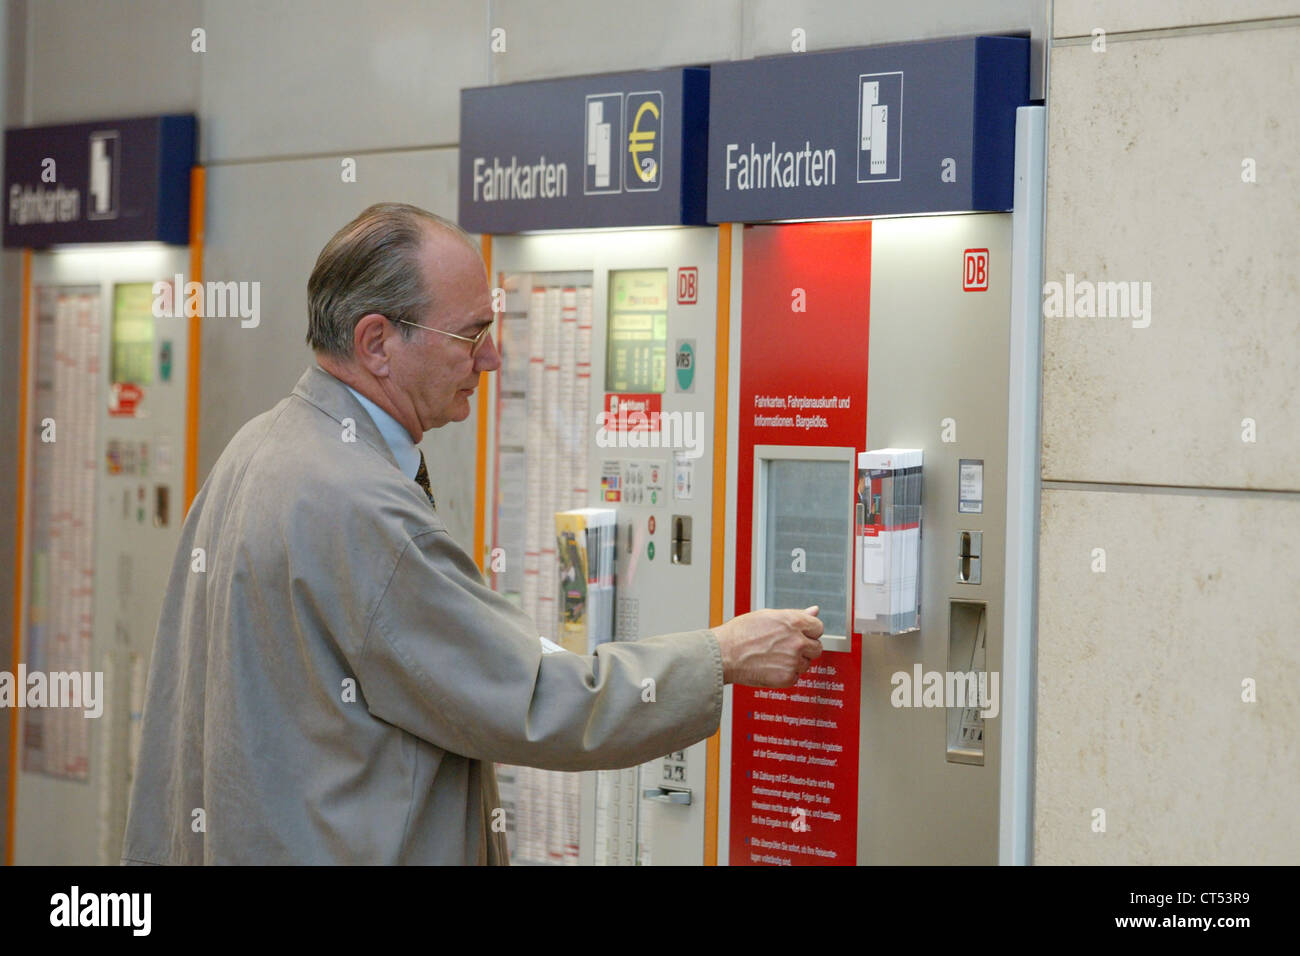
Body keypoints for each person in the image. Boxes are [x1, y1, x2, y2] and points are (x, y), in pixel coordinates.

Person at [121, 202, 824, 865]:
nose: (490, 361)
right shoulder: (360, 505)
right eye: (470, 335)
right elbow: (533, 700)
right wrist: (720, 655)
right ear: (376, 343)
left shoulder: (258, 448)